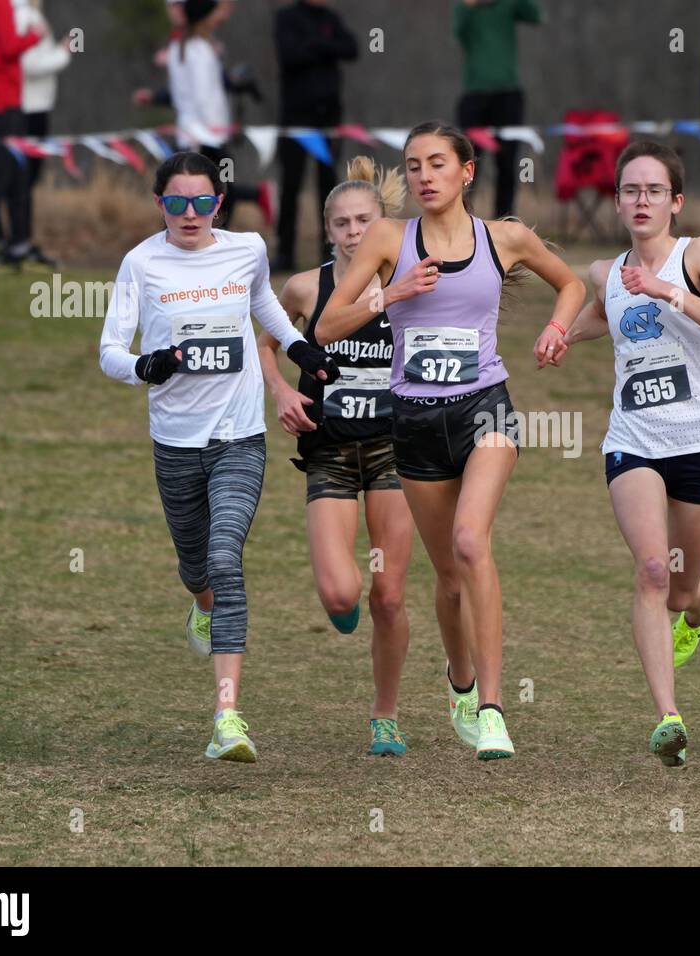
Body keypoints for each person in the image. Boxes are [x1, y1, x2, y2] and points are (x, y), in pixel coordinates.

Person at [317, 121, 585, 760]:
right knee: (449, 576)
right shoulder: (388, 239)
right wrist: (392, 292)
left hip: (485, 408)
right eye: (413, 166)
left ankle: (492, 706)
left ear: (466, 171)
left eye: (437, 163)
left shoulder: (506, 237)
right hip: (412, 420)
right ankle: (459, 679)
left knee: (472, 540)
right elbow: (326, 326)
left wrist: (556, 327)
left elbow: (572, 283)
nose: (424, 176)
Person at [99, 151, 342, 763]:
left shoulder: (247, 250)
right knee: (196, 567)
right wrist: (143, 367)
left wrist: (302, 351)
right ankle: (200, 605)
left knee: (225, 556)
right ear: (159, 205)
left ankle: (227, 717)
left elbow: (262, 307)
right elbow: (109, 350)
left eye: (202, 202)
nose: (189, 213)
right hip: (175, 442)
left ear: (219, 205)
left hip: (239, 437)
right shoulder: (140, 263)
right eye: (176, 202)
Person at [563, 141, 700, 768]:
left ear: (675, 201)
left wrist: (669, 292)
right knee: (650, 571)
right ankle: (669, 717)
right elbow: (600, 315)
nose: (640, 201)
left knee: (679, 588)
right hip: (632, 444)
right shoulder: (606, 272)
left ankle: (699, 603)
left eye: (652, 191)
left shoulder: (698, 254)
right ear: (617, 202)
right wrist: (559, 334)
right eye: (629, 191)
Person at [255, 156, 416, 756]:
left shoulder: (409, 280)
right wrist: (282, 391)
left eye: (363, 221)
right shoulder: (305, 287)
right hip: (328, 449)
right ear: (329, 231)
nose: (353, 232)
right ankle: (348, 608)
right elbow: (266, 343)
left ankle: (385, 716)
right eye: (342, 223)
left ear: (383, 225)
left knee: (390, 594)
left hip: (395, 450)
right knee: (341, 594)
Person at [166, 0, 273, 226]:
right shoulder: (198, 49)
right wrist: (219, 130)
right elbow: (204, 96)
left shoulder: (184, 47)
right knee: (222, 192)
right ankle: (213, 239)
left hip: (194, 133)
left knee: (194, 192)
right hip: (206, 137)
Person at [273, 0, 358, 272]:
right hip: (295, 118)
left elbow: (352, 49)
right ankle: (285, 252)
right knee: (291, 185)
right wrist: (324, 46)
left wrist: (315, 45)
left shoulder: (331, 18)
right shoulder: (286, 18)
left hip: (328, 118)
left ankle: (330, 250)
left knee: (329, 187)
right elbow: (290, 56)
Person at [453, 0, 541, 219]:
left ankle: (505, 222)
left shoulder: (508, 4)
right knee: (467, 162)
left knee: (507, 165)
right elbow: (458, 32)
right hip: (474, 94)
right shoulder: (465, 6)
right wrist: (469, 6)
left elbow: (536, 15)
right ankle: (460, 220)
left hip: (508, 94)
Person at [0, 0, 43, 265]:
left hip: (4, 99)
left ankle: (16, 242)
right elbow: (9, 47)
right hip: (1, 102)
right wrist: (34, 36)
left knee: (16, 174)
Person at [16, 0, 68, 267]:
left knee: (27, 180)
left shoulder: (32, 14)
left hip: (37, 106)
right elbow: (28, 65)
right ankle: (19, 241)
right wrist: (63, 52)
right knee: (23, 179)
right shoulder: (23, 16)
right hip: (29, 108)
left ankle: (21, 240)